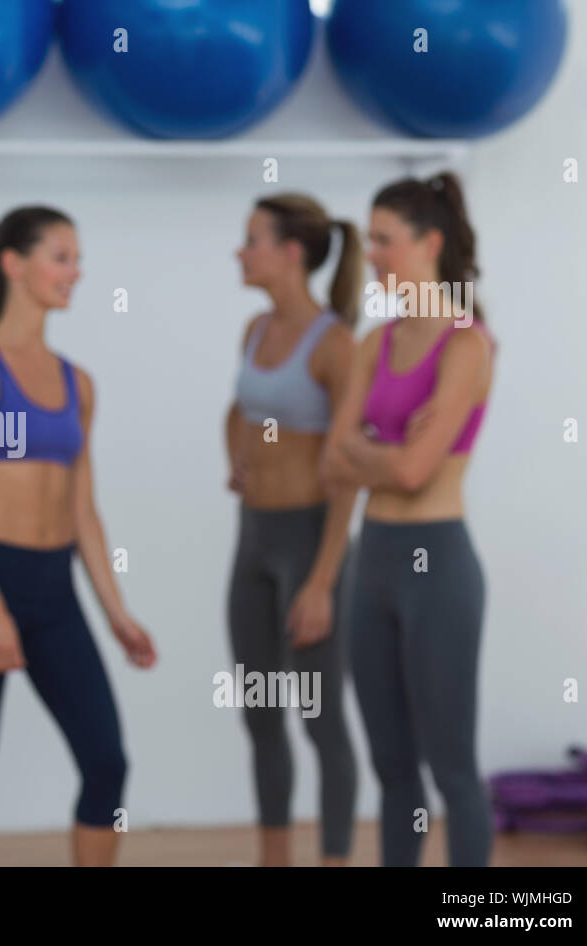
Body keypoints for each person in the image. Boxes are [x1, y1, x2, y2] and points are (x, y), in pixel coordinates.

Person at [0, 206, 157, 867]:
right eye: (61, 257)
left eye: (77, 259)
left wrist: (117, 614)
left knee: (107, 762)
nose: (75, 272)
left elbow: (84, 511)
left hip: (55, 592)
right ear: (13, 263)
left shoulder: (76, 382)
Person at [323, 171, 497, 867]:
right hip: (376, 565)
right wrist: (386, 452)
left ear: (429, 244)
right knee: (394, 769)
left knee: (452, 765)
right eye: (369, 240)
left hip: (440, 567)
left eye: (384, 241)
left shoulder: (467, 346)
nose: (373, 255)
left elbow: (410, 473)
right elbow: (333, 463)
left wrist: (375, 451)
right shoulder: (374, 343)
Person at [226, 193, 363, 866]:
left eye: (251, 239)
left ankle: (335, 858)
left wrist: (323, 583)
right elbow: (241, 405)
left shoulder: (336, 344)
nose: (239, 251)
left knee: (320, 718)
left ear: (291, 253)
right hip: (252, 540)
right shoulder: (255, 330)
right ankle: (273, 858)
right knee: (260, 711)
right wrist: (237, 460)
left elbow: (346, 476)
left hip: (311, 544)